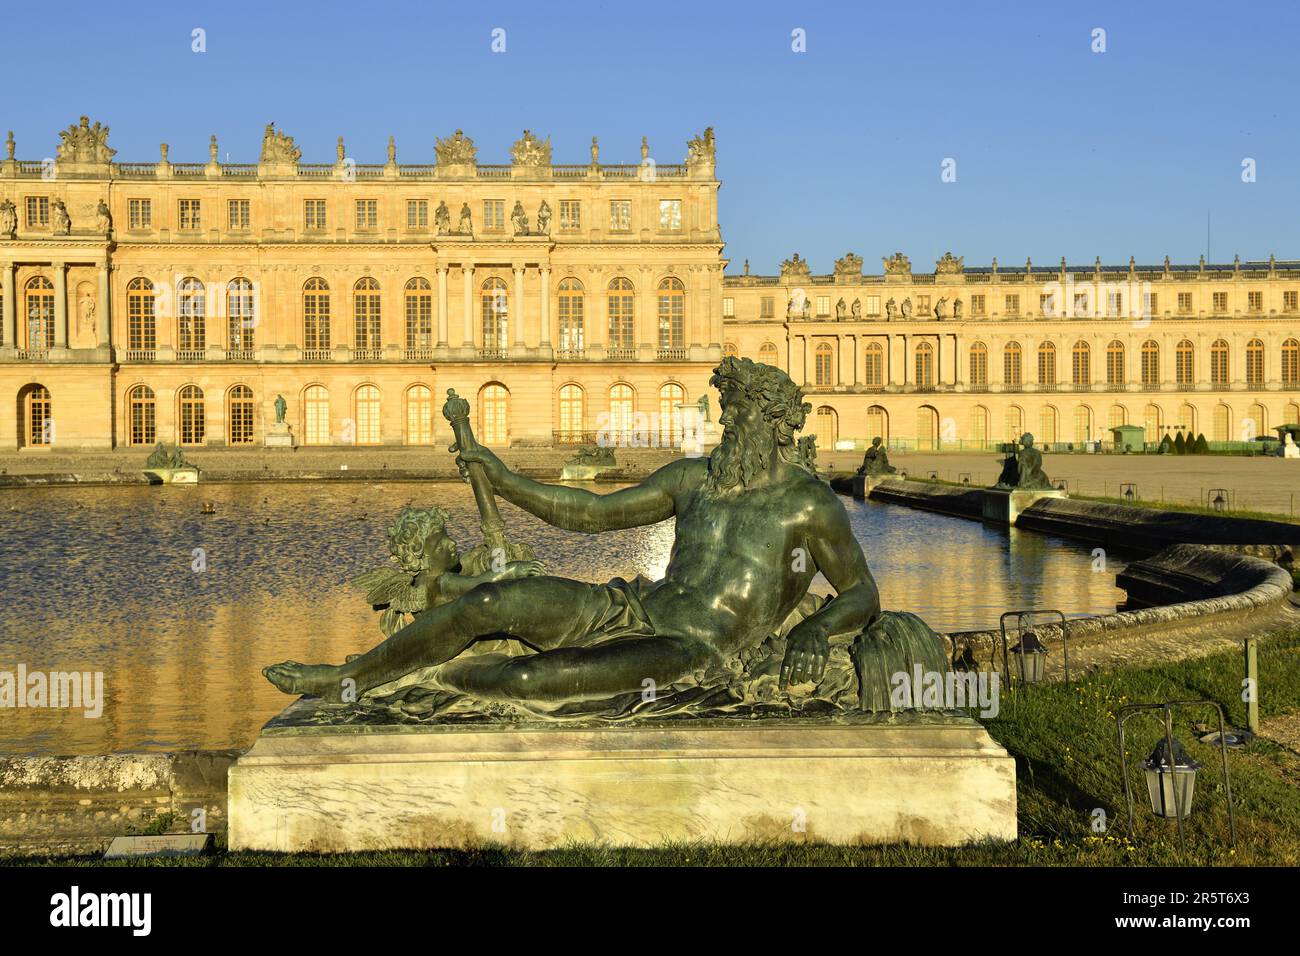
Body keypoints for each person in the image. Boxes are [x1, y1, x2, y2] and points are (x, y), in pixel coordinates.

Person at [264, 357, 881, 703]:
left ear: (771, 422)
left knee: (536, 679)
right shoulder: (695, 479)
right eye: (727, 414)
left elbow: (861, 593)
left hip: (692, 645)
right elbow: (589, 512)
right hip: (632, 606)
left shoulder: (808, 505)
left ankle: (428, 673)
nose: (727, 426)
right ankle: (348, 678)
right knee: (488, 598)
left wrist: (819, 628)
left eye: (738, 414)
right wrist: (504, 480)